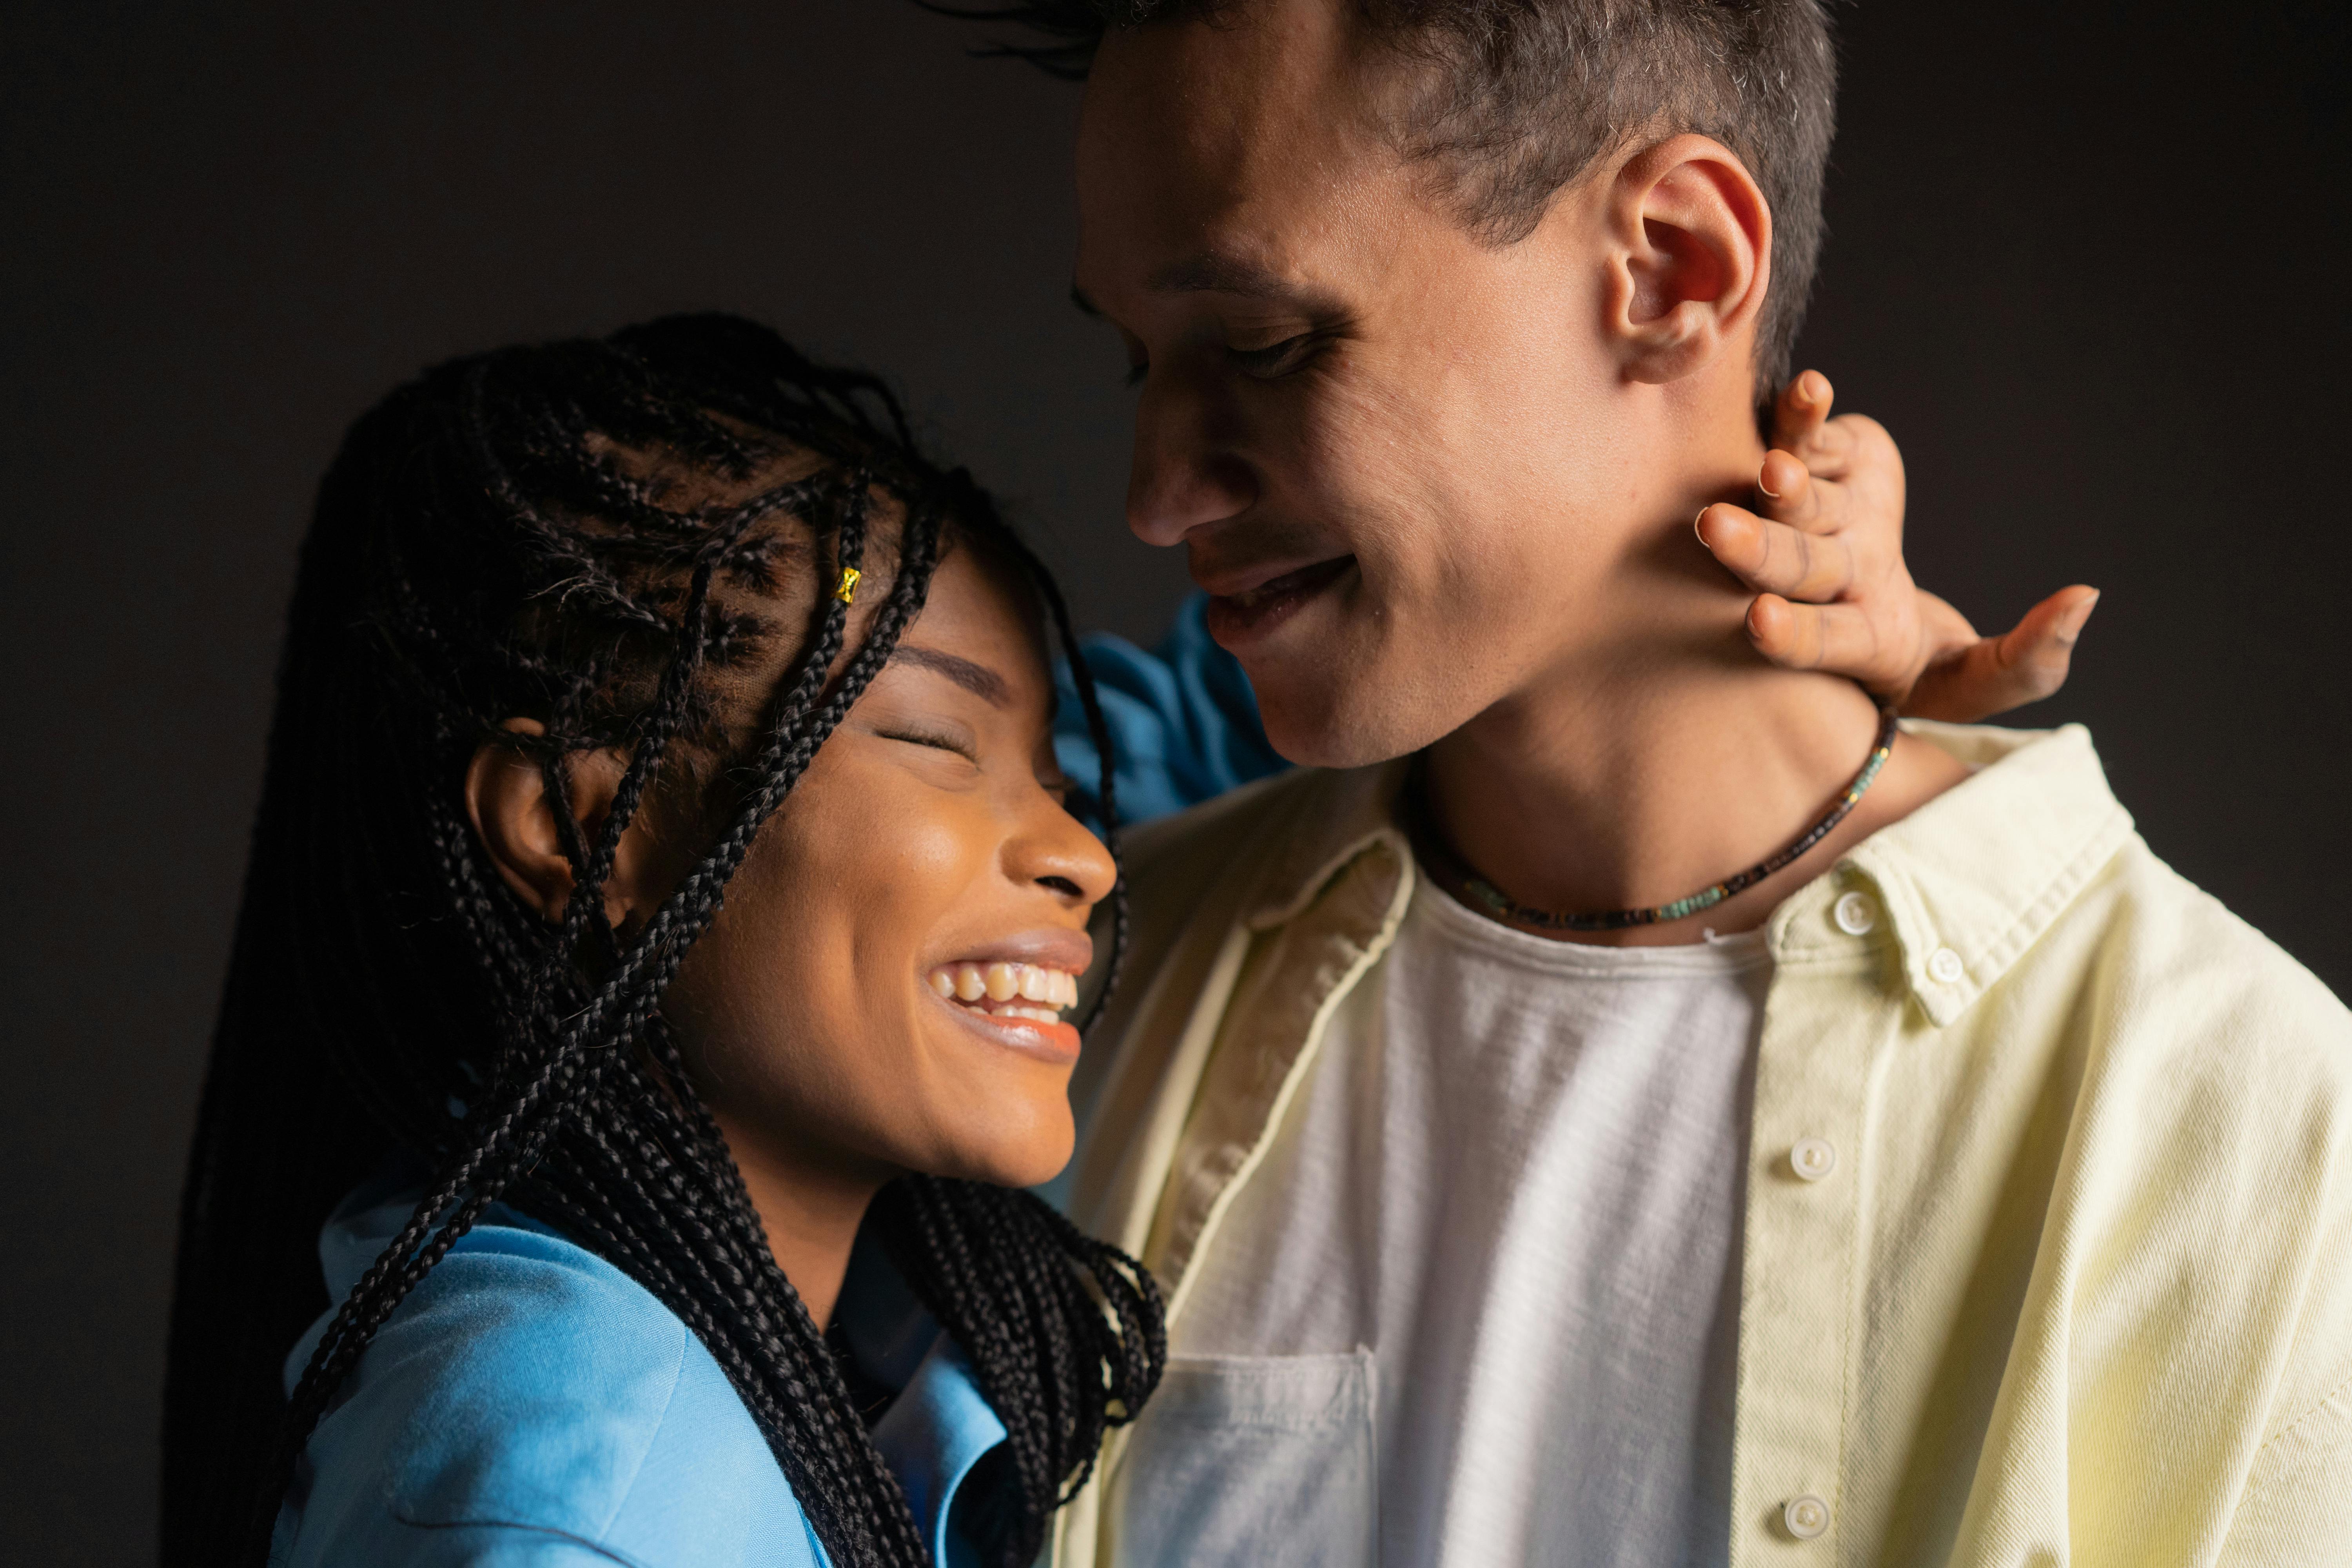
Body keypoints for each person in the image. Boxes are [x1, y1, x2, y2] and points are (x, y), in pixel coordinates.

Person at [984, 2, 2352, 1565]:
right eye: (1138, 363)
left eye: (1265, 345)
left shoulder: (2251, 1137)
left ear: (1675, 269)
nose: (1156, 496)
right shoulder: (1074, 1000)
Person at [160, 314, 1165, 1568]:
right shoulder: (582, 1495)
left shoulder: (613, 1323)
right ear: (583, 834)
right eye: (936, 744)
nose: (1087, 855)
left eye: (1060, 782)